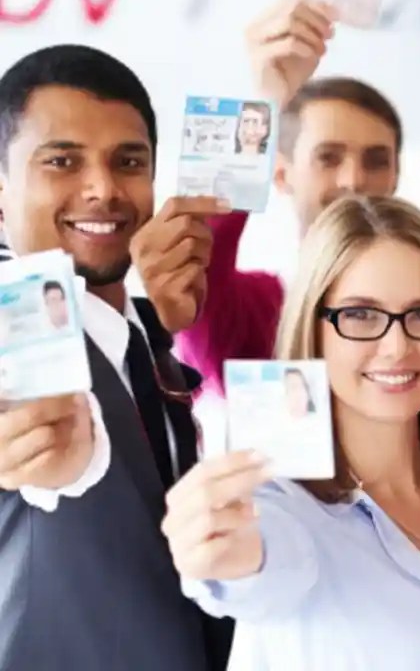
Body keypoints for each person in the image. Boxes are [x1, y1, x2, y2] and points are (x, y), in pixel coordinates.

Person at [164, 196, 420, 671]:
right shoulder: (279, 508)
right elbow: (259, 572)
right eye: (361, 315)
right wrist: (220, 554)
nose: (396, 346)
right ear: (314, 327)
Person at [176, 0, 420, 443]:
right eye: (328, 157)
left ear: (397, 173)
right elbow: (191, 254)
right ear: (280, 172)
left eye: (375, 160)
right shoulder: (254, 311)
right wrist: (261, 100)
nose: (352, 180)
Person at [0, 44, 234, 669]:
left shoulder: (150, 338)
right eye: (62, 162)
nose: (102, 189)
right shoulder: (9, 335)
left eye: (128, 161)